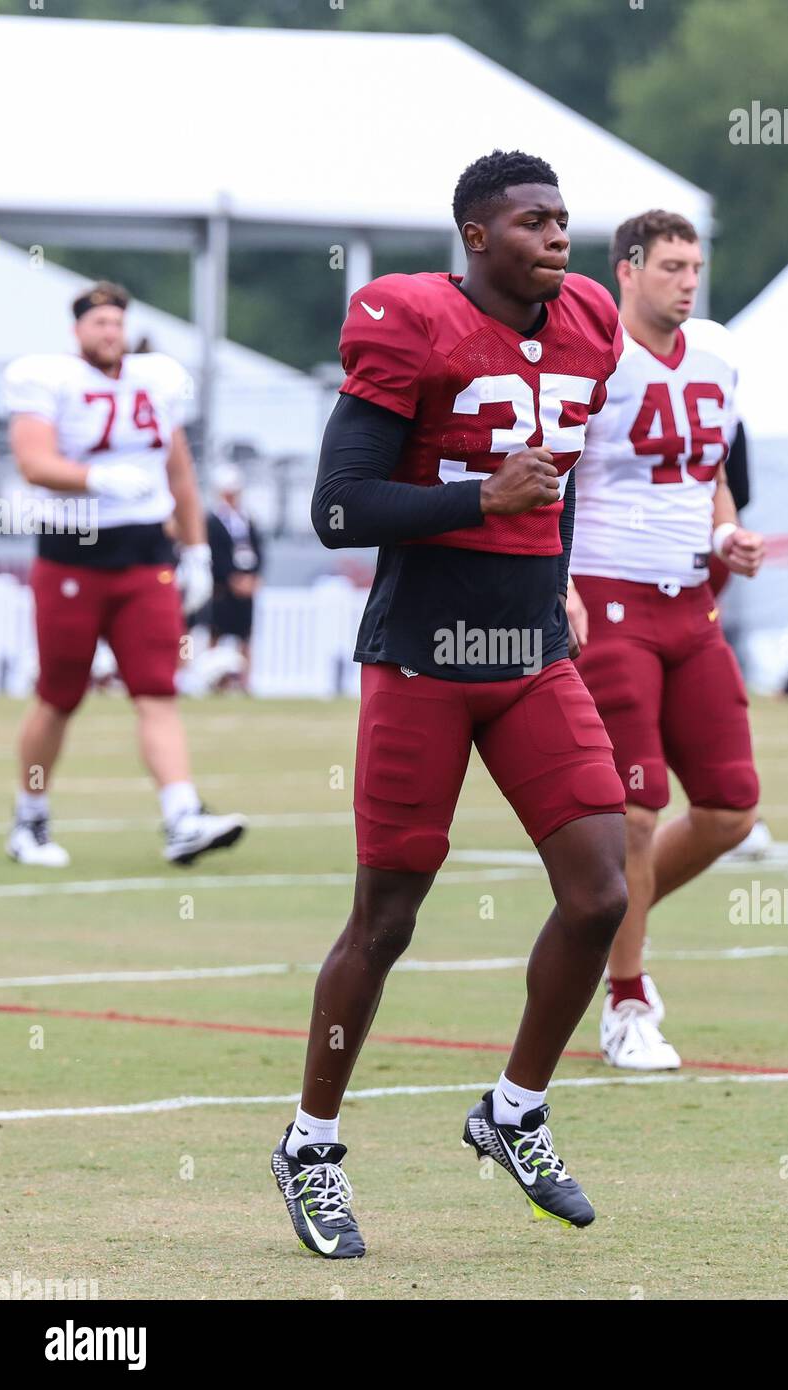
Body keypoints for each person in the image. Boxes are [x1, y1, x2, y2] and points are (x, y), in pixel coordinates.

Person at [271, 150, 628, 1259]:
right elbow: (338, 510)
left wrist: (554, 567)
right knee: (385, 920)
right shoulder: (406, 320)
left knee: (599, 893)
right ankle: (309, 1143)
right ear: (476, 237)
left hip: (526, 652)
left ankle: (513, 1110)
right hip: (423, 657)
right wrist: (479, 494)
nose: (557, 237)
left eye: (563, 218)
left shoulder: (589, 324)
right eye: (531, 221)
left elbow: (553, 483)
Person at [568, 209, 764, 1071]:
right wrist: (559, 581)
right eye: (672, 266)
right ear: (627, 270)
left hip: (692, 604)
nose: (689, 280)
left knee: (728, 810)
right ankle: (626, 999)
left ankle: (602, 913)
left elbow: (709, 472)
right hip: (611, 599)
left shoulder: (718, 356)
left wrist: (727, 535)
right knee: (637, 813)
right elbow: (555, 476)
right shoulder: (592, 354)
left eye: (696, 266)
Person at [3, 281, 248, 867]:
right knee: (59, 695)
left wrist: (194, 552)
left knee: (157, 690)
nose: (108, 333)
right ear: (77, 331)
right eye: (98, 324)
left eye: (116, 322)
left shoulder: (154, 381)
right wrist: (93, 479)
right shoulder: (49, 379)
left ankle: (182, 817)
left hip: (145, 560)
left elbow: (181, 475)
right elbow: (33, 461)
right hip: (73, 557)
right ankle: (29, 821)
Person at [204, 462, 263, 688]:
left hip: (245, 586)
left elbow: (257, 549)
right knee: (215, 633)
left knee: (245, 636)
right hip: (222, 588)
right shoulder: (212, 521)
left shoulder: (247, 519)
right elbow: (215, 553)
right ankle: (213, 679)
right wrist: (230, 578)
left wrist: (253, 577)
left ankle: (245, 682)